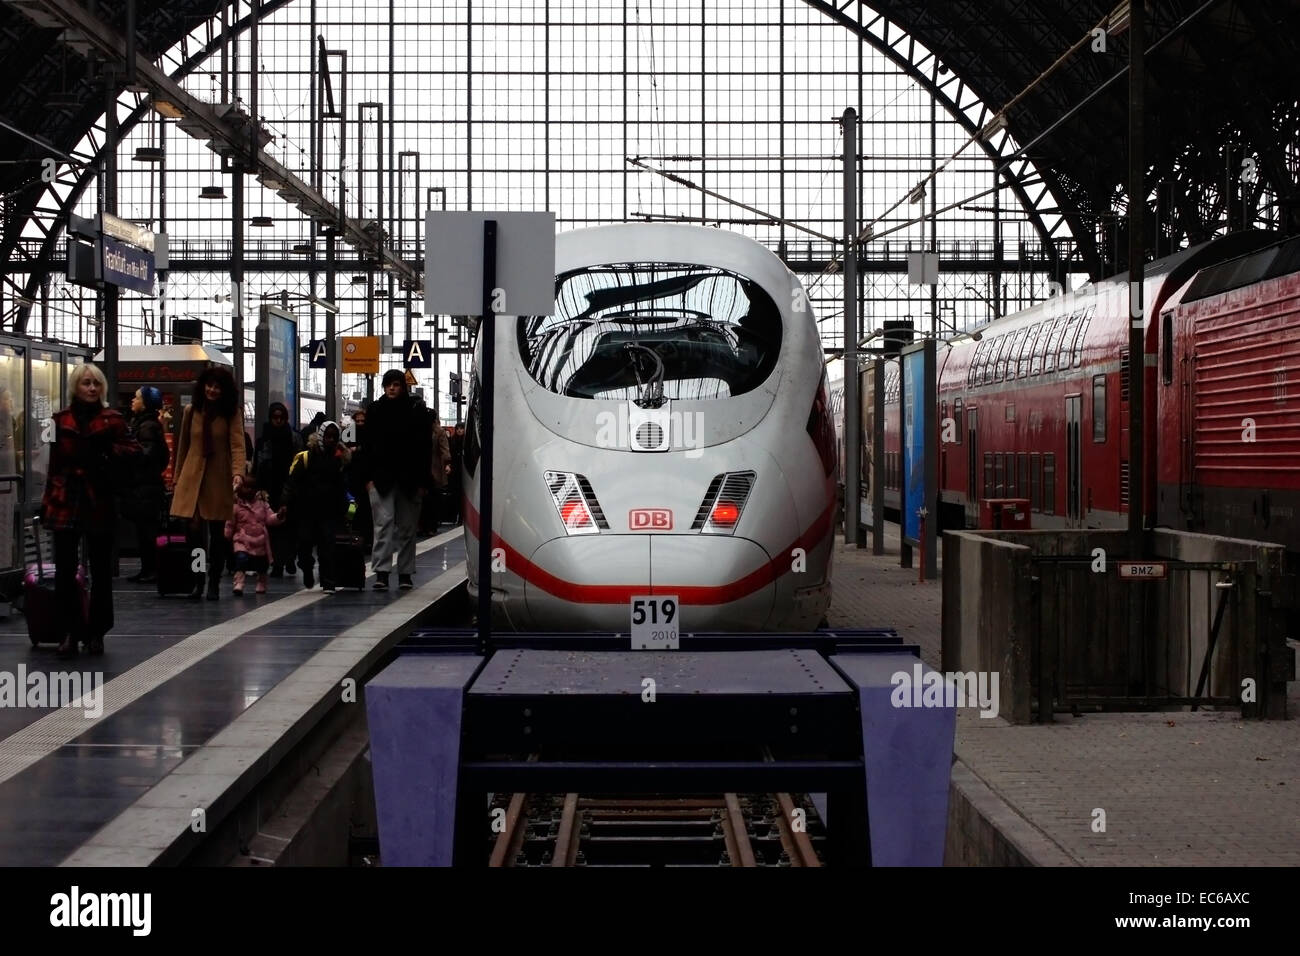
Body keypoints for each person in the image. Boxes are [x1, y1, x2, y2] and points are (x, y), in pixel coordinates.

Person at [40, 364, 142, 657]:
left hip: (99, 497)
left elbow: (135, 453)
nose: (92, 388)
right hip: (67, 497)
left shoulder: (113, 420)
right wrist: (50, 500)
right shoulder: (59, 421)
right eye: (86, 383)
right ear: (76, 386)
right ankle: (69, 631)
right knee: (65, 572)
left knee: (100, 570)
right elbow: (52, 465)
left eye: (96, 384)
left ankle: (96, 632)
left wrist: (109, 451)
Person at [170, 366, 246, 600]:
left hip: (217, 480)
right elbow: (183, 446)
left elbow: (237, 445)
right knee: (194, 536)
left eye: (217, 387)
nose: (212, 390)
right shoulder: (191, 411)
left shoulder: (231, 413)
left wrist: (238, 474)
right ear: (203, 386)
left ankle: (213, 582)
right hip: (191, 480)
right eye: (209, 385)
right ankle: (197, 581)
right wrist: (176, 478)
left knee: (217, 535)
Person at [357, 370, 433, 590]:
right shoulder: (375, 410)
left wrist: (423, 483)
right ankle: (382, 572)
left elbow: (424, 449)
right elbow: (367, 448)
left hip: (409, 480)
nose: (391, 388)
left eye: (396, 384)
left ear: (403, 387)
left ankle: (405, 573)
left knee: (407, 529)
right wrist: (368, 480)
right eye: (388, 384)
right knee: (383, 526)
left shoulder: (416, 412)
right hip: (381, 479)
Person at [284, 420, 350, 592]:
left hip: (329, 511)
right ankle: (306, 568)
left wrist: (344, 509)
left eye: (334, 437)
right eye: (327, 436)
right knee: (304, 544)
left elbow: (341, 486)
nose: (330, 440)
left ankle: (328, 580)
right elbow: (292, 481)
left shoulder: (339, 459)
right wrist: (286, 502)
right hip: (306, 510)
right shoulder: (306, 457)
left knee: (327, 546)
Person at [122, 387, 169, 583]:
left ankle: (151, 570)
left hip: (145, 487)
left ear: (146, 403)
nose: (133, 400)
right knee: (145, 530)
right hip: (147, 485)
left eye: (137, 397)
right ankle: (148, 569)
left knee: (146, 531)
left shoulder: (147, 426)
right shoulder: (147, 424)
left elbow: (145, 455)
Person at [254, 401, 301, 578]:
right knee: (272, 526)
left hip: (290, 487)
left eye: (281, 417)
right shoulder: (264, 439)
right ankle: (277, 562)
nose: (278, 421)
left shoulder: (294, 437)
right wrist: (258, 487)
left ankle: (288, 559)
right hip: (270, 487)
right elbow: (258, 464)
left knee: (289, 525)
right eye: (275, 417)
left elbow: (300, 462)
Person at [224, 474, 284, 595]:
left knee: (262, 564)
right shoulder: (235, 506)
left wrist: (278, 516)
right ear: (240, 488)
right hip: (241, 539)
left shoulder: (263, 505)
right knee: (241, 559)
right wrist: (226, 535)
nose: (249, 490)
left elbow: (269, 519)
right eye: (246, 487)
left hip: (260, 540)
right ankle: (239, 583)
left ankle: (261, 582)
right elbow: (230, 523)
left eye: (252, 487)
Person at [419, 406, 452, 535]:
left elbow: (444, 449)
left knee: (432, 499)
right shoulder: (420, 430)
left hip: (435, 468)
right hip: (422, 468)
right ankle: (422, 525)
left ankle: (431, 526)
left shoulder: (439, 432)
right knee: (422, 499)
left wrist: (447, 463)